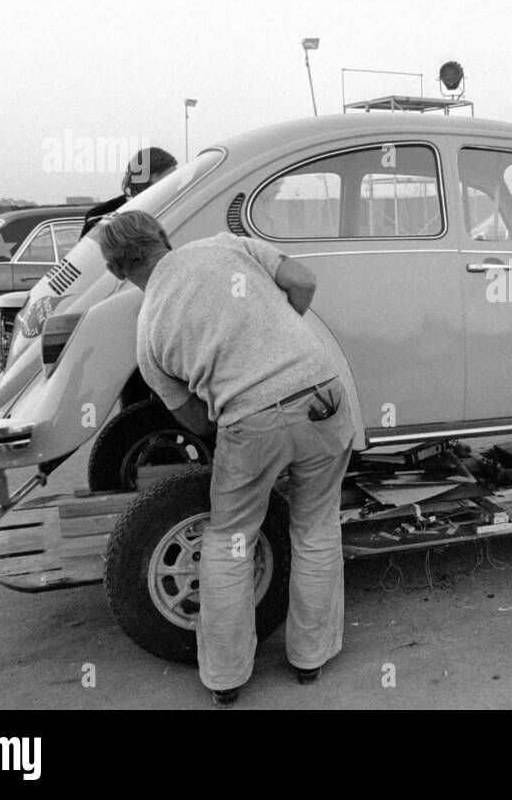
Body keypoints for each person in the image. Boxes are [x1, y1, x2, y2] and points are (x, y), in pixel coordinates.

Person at [97, 211, 354, 707]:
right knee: (316, 527)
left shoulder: (147, 336)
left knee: (230, 542)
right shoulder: (226, 246)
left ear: (115, 271)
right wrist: (279, 339)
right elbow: (303, 280)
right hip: (324, 396)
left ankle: (225, 677)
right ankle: (310, 658)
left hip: (249, 422)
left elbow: (195, 422)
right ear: (163, 239)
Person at [81, 147, 178, 238]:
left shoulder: (175, 208)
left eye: (177, 176)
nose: (177, 182)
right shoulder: (100, 216)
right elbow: (86, 255)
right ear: (145, 178)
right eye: (170, 177)